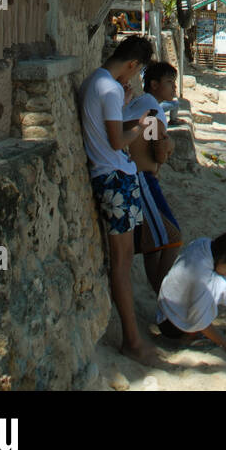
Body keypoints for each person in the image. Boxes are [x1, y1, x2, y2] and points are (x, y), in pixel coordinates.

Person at [78, 35, 159, 366]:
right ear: (133, 65)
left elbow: (102, 127)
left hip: (109, 178)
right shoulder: (109, 88)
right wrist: (140, 126)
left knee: (122, 262)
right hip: (115, 178)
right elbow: (115, 141)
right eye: (136, 73)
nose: (134, 80)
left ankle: (132, 337)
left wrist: (124, 104)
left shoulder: (96, 81)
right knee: (123, 263)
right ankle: (131, 340)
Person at [123, 62, 183, 302]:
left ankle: (159, 293)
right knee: (173, 237)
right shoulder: (151, 110)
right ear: (155, 85)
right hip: (142, 179)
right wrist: (170, 146)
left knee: (152, 242)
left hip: (135, 177)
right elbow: (157, 150)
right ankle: (164, 295)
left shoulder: (140, 103)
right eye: (170, 82)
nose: (174, 88)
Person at [156, 230, 226, 356]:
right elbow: (199, 321)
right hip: (172, 326)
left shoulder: (203, 243)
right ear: (223, 258)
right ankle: (188, 337)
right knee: (219, 286)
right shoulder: (204, 279)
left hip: (163, 309)